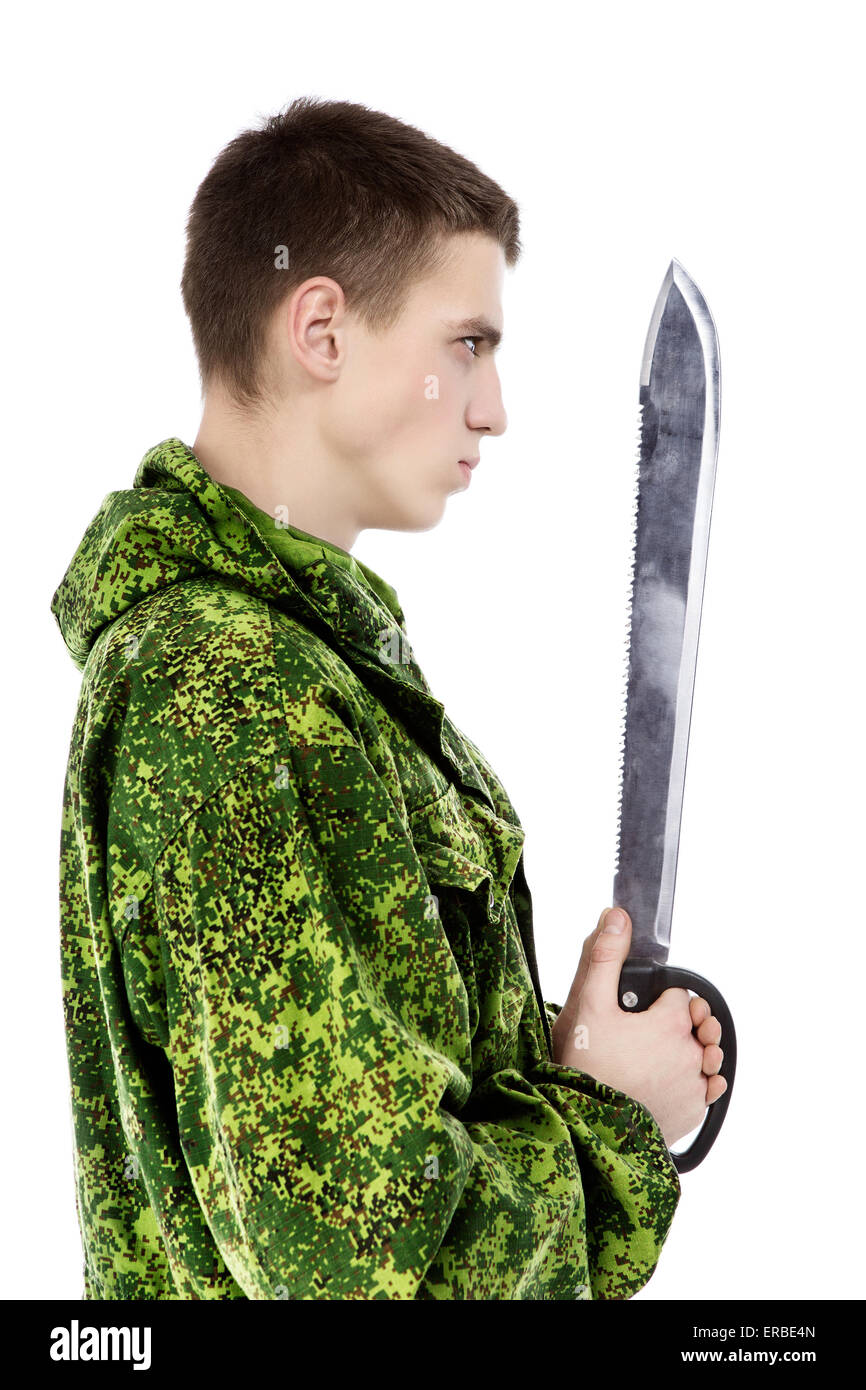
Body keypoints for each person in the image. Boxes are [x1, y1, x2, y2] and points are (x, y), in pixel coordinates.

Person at [51, 96, 725, 1302]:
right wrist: (610, 1123)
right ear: (321, 328)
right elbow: (357, 1273)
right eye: (467, 343)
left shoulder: (306, 663)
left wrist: (565, 1060)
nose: (494, 406)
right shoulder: (232, 690)